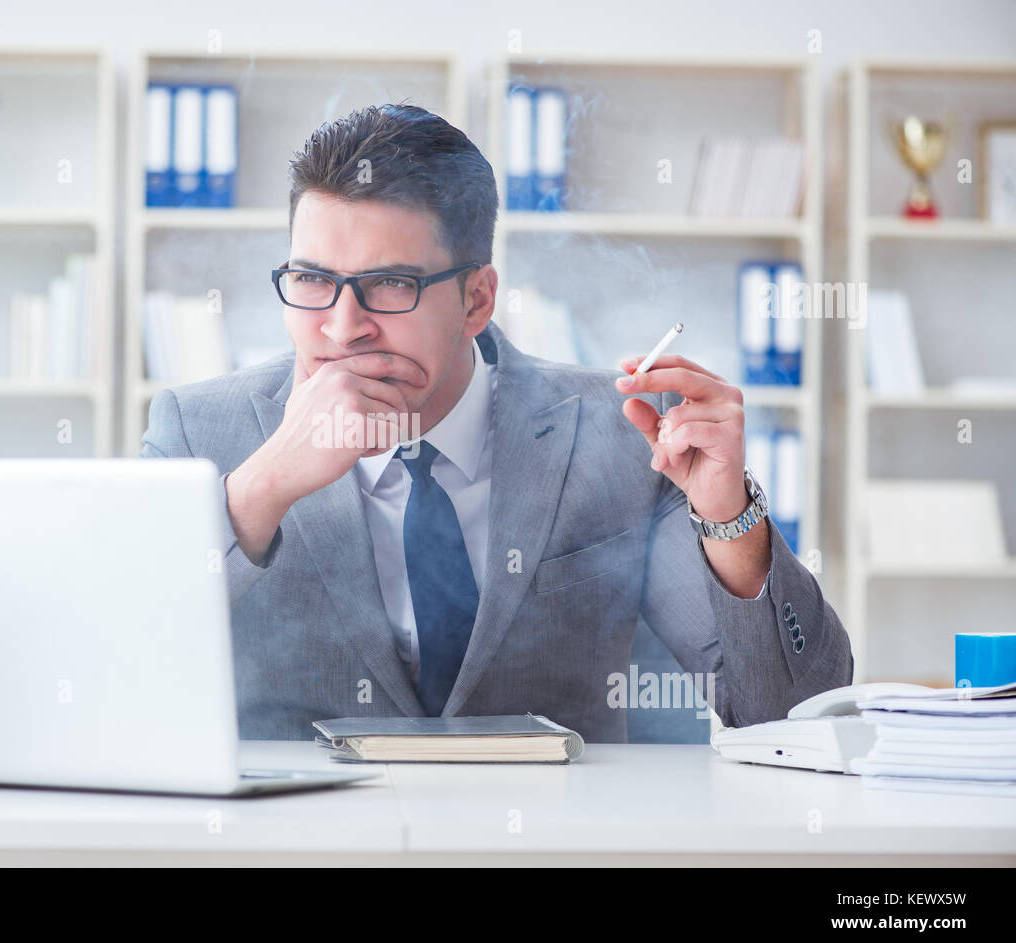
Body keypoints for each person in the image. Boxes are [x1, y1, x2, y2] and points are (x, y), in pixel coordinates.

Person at [141, 103, 853, 741]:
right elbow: (119, 659)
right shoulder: (201, 432)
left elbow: (791, 713)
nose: (342, 327)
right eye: (312, 280)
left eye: (390, 284)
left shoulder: (619, 436)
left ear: (477, 299)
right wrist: (261, 487)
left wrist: (730, 514)